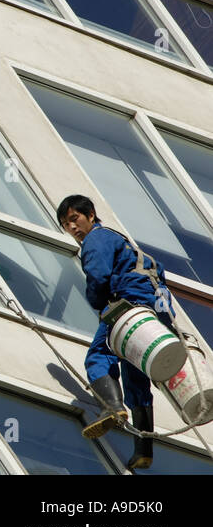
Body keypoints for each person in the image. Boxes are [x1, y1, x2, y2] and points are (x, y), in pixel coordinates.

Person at [58, 194, 176, 471]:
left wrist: (100, 306)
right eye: (66, 224)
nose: (72, 228)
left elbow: (98, 276)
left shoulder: (96, 239)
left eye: (75, 219)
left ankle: (112, 407)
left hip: (128, 305)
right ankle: (144, 448)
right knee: (135, 373)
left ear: (90, 215)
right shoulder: (122, 242)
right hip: (152, 311)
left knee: (99, 355)